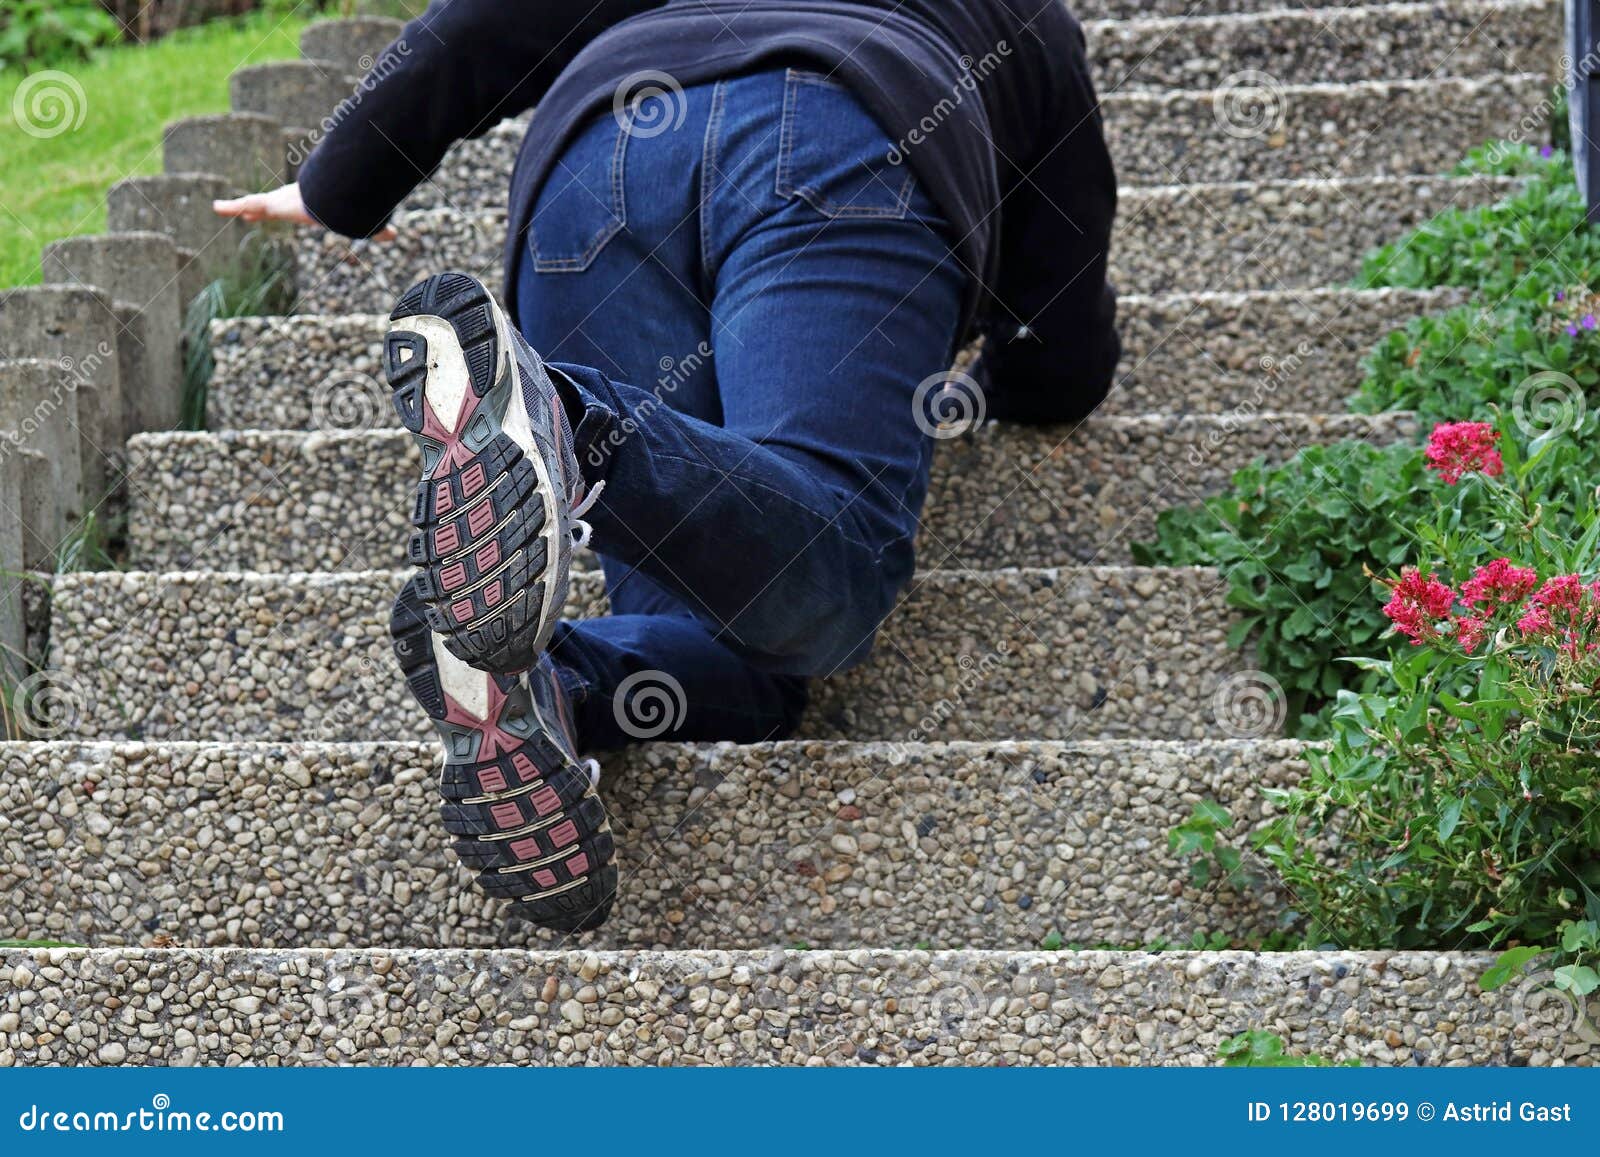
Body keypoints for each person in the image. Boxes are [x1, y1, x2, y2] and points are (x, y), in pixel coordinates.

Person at [214, 0, 1119, 933]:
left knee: (743, 653)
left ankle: (548, 681)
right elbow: (1063, 332)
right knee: (832, 582)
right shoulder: (1025, 16)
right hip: (846, 141)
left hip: (593, 164)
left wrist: (344, 181)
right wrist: (1006, 374)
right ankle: (563, 416)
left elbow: (488, 20)